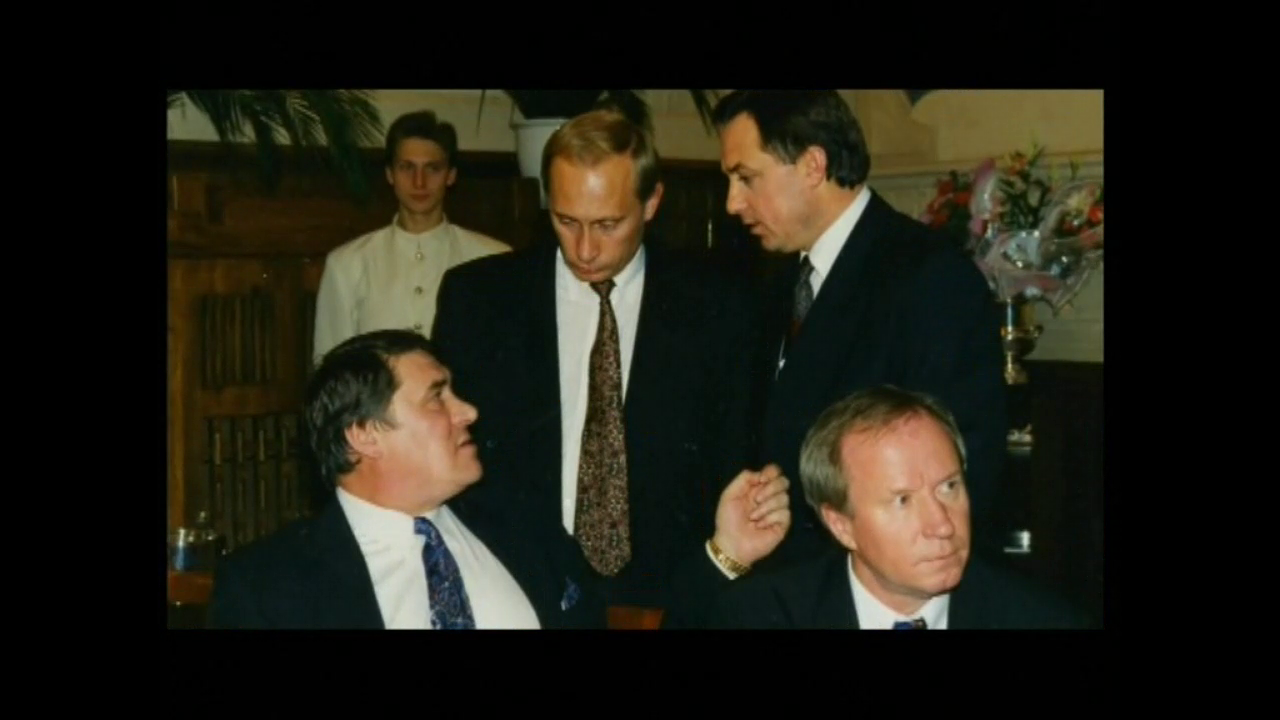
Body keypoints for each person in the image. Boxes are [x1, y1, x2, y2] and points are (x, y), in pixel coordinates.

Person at [432, 109, 790, 628]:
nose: (584, 249)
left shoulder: (722, 306)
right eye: (566, 220)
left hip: (675, 597)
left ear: (652, 202)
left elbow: (734, 456)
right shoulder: (479, 299)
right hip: (521, 592)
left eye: (607, 224)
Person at [712, 90, 1007, 564]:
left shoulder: (929, 278)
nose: (732, 203)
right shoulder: (780, 282)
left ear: (812, 165)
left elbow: (958, 475)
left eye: (746, 178)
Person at [207, 329, 599, 629]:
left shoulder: (527, 527)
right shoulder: (266, 588)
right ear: (365, 434)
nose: (468, 411)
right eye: (436, 398)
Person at [710, 385, 1090, 629]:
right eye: (903, 500)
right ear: (841, 525)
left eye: (949, 487)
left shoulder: (1042, 620)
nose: (942, 525)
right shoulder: (765, 616)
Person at [311, 110, 509, 363]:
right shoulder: (347, 264)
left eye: (432, 168)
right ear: (389, 174)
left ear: (451, 175)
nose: (419, 182)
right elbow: (330, 367)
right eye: (407, 168)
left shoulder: (494, 259)